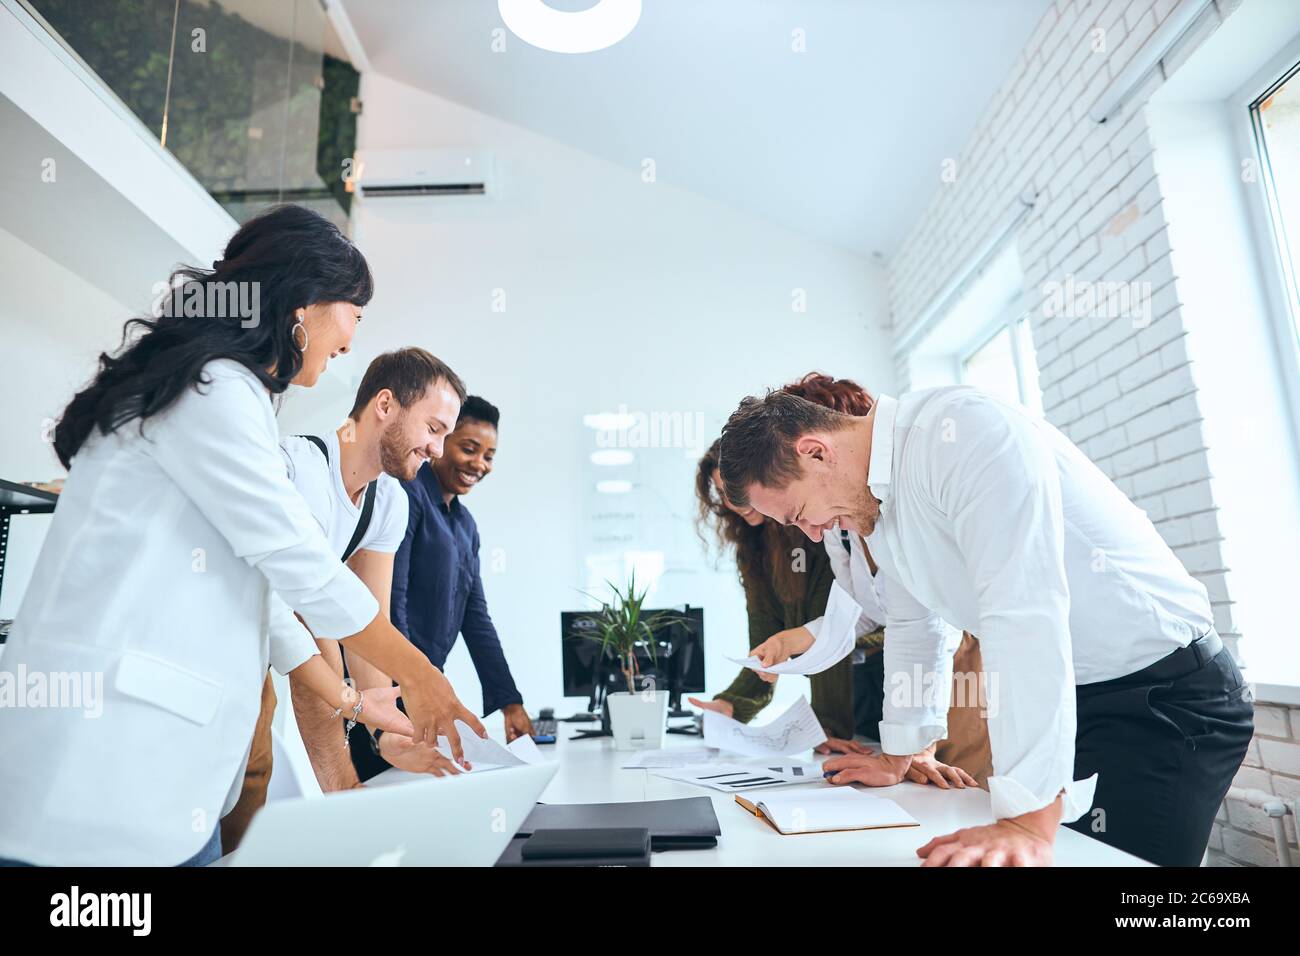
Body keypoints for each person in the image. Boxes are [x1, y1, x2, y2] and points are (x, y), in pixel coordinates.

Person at [0, 205, 472, 867]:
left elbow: (275, 603)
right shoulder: (214, 391)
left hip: (164, 785)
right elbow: (302, 568)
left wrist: (360, 704)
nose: (354, 335)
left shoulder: (231, 394)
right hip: (97, 774)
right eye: (354, 309)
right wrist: (421, 678)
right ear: (304, 304)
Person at [719, 383, 1254, 867]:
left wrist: (1025, 819)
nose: (812, 535)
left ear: (815, 451)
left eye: (799, 514)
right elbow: (915, 620)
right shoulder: (881, 500)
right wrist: (902, 753)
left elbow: (1022, 612)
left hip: (1168, 700)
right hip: (1085, 697)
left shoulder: (962, 433)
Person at [221, 348, 479, 845]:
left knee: (245, 815)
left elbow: (367, 626)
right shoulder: (297, 471)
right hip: (217, 661)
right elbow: (310, 632)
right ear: (385, 404)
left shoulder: (389, 504)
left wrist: (387, 734)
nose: (439, 450)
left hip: (261, 671)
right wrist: (346, 796)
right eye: (433, 428)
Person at [696, 372, 987, 788]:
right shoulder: (838, 525)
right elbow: (871, 615)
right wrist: (795, 642)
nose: (810, 531)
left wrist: (912, 747)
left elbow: (924, 625)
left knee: (972, 797)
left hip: (954, 681)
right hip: (909, 690)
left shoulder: (917, 472)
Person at [348, 395, 535, 781]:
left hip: (417, 691)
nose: (479, 464)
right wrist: (410, 684)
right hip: (384, 689)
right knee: (384, 800)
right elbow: (389, 604)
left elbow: (476, 617)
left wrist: (509, 701)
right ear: (443, 441)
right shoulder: (407, 497)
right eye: (469, 449)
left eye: (489, 455)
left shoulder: (465, 526)